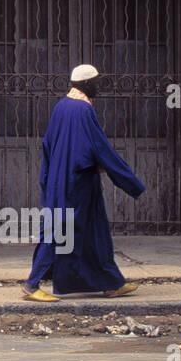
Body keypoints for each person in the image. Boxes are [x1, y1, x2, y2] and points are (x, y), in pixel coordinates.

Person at [20, 64, 146, 302]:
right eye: (96, 82)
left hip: (65, 179)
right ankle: (32, 283)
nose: (99, 87)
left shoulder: (62, 106)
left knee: (94, 233)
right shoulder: (83, 110)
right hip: (76, 182)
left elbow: (48, 144)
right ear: (87, 84)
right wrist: (130, 182)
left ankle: (111, 283)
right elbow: (100, 148)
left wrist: (47, 178)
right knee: (60, 231)